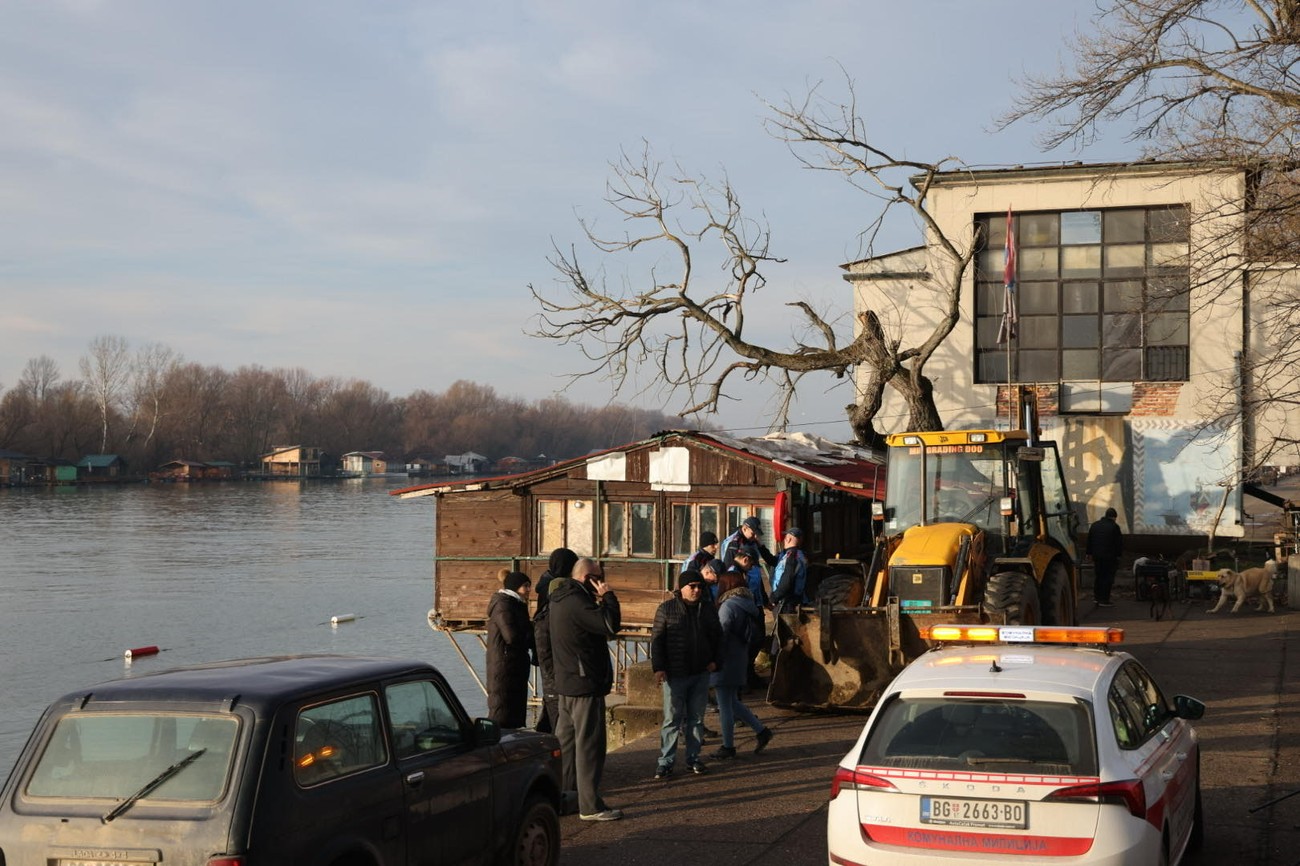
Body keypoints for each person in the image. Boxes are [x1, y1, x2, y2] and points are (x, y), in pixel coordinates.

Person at [549, 557, 623, 821]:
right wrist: (609, 597)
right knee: (589, 746)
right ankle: (591, 806)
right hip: (584, 684)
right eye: (598, 577)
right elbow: (610, 625)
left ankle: (564, 798)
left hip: (566, 683)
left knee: (566, 747)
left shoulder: (558, 599)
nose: (602, 582)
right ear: (586, 577)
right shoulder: (578, 602)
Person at [651, 569, 722, 780]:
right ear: (681, 588)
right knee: (671, 720)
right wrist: (659, 668)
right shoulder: (666, 609)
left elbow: (718, 638)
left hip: (700, 673)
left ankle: (693, 758)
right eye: (692, 586)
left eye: (700, 586)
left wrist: (715, 662)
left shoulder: (707, 609)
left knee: (696, 719)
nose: (697, 590)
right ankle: (665, 762)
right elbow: (657, 641)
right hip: (675, 674)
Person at [710, 571, 774, 759]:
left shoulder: (728, 606)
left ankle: (728, 746)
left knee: (725, 705)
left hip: (726, 659)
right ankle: (762, 731)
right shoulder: (747, 603)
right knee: (732, 701)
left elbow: (721, 633)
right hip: (740, 656)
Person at [532, 547, 578, 735]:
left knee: (552, 706)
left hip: (552, 662)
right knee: (556, 707)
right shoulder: (554, 592)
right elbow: (546, 637)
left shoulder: (547, 585)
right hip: (554, 664)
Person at [485, 570, 533, 728]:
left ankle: (511, 738)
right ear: (515, 587)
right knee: (502, 706)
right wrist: (529, 636)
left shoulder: (516, 604)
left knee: (513, 706)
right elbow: (511, 636)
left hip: (512, 663)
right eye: (525, 586)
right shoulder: (504, 605)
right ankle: (497, 741)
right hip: (504, 664)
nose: (528, 590)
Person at [1086, 507, 1123, 608]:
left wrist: (1089, 554)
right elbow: (1118, 544)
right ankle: (1104, 600)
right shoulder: (1115, 527)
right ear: (1114, 517)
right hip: (1109, 557)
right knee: (1108, 578)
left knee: (1099, 576)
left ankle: (1096, 597)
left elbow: (1089, 541)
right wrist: (1119, 556)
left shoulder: (1094, 525)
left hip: (1097, 556)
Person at [769, 528, 808, 615]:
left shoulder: (791, 556)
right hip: (790, 601)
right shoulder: (798, 555)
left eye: (785, 537)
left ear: (788, 539)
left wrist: (774, 597)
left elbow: (786, 580)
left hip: (785, 604)